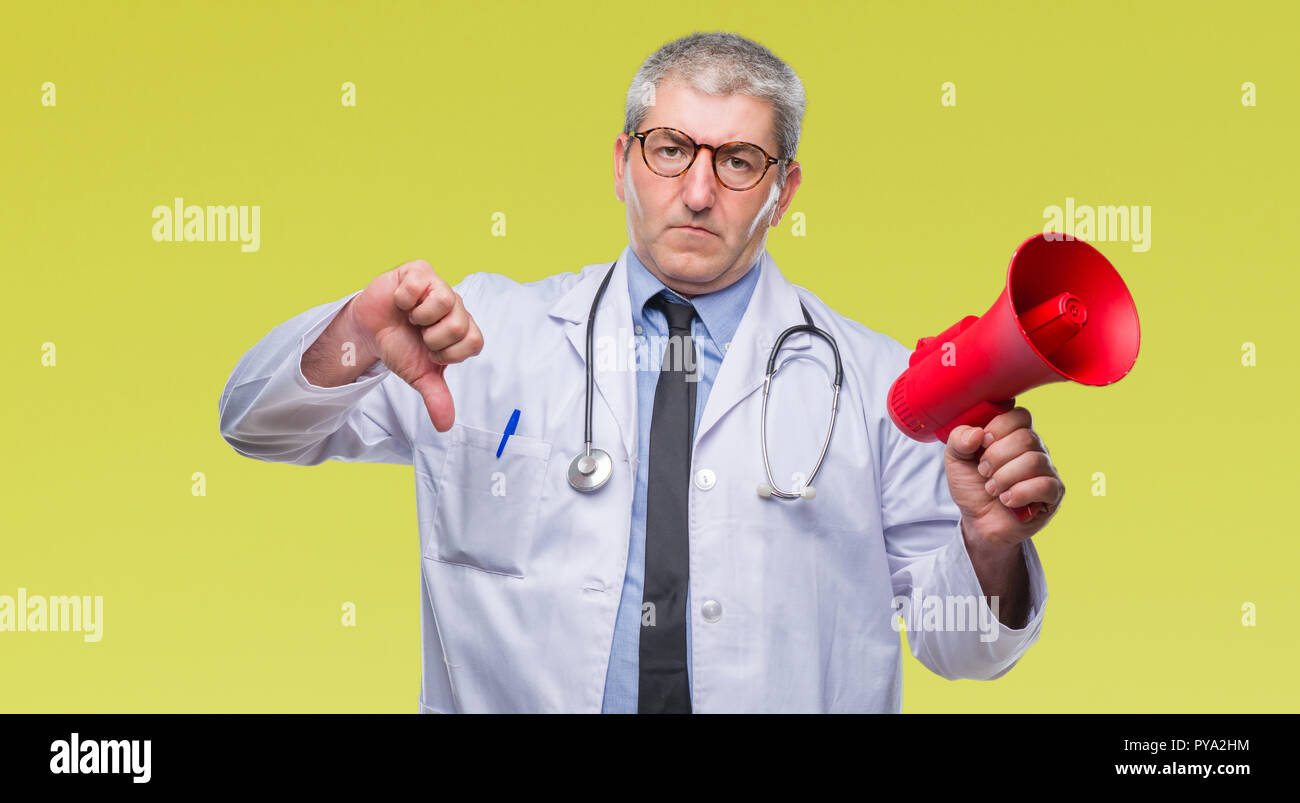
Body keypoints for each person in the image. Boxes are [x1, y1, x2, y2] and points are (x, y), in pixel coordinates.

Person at [218, 31, 1062, 713]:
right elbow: (255, 423)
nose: (697, 192)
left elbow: (964, 651)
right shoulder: (480, 335)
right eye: (669, 151)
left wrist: (989, 548)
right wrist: (356, 338)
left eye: (737, 162)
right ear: (621, 161)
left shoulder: (880, 385)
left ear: (784, 191)